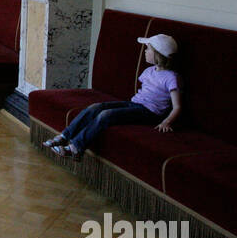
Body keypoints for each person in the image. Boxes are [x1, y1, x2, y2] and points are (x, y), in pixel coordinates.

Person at [45, 34, 182, 158]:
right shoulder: (149, 71)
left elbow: (177, 106)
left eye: (148, 49)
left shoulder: (171, 78)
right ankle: (64, 135)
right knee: (96, 107)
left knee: (106, 115)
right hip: (135, 104)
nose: (145, 52)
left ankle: (75, 148)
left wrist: (166, 121)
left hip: (150, 113)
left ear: (158, 54)